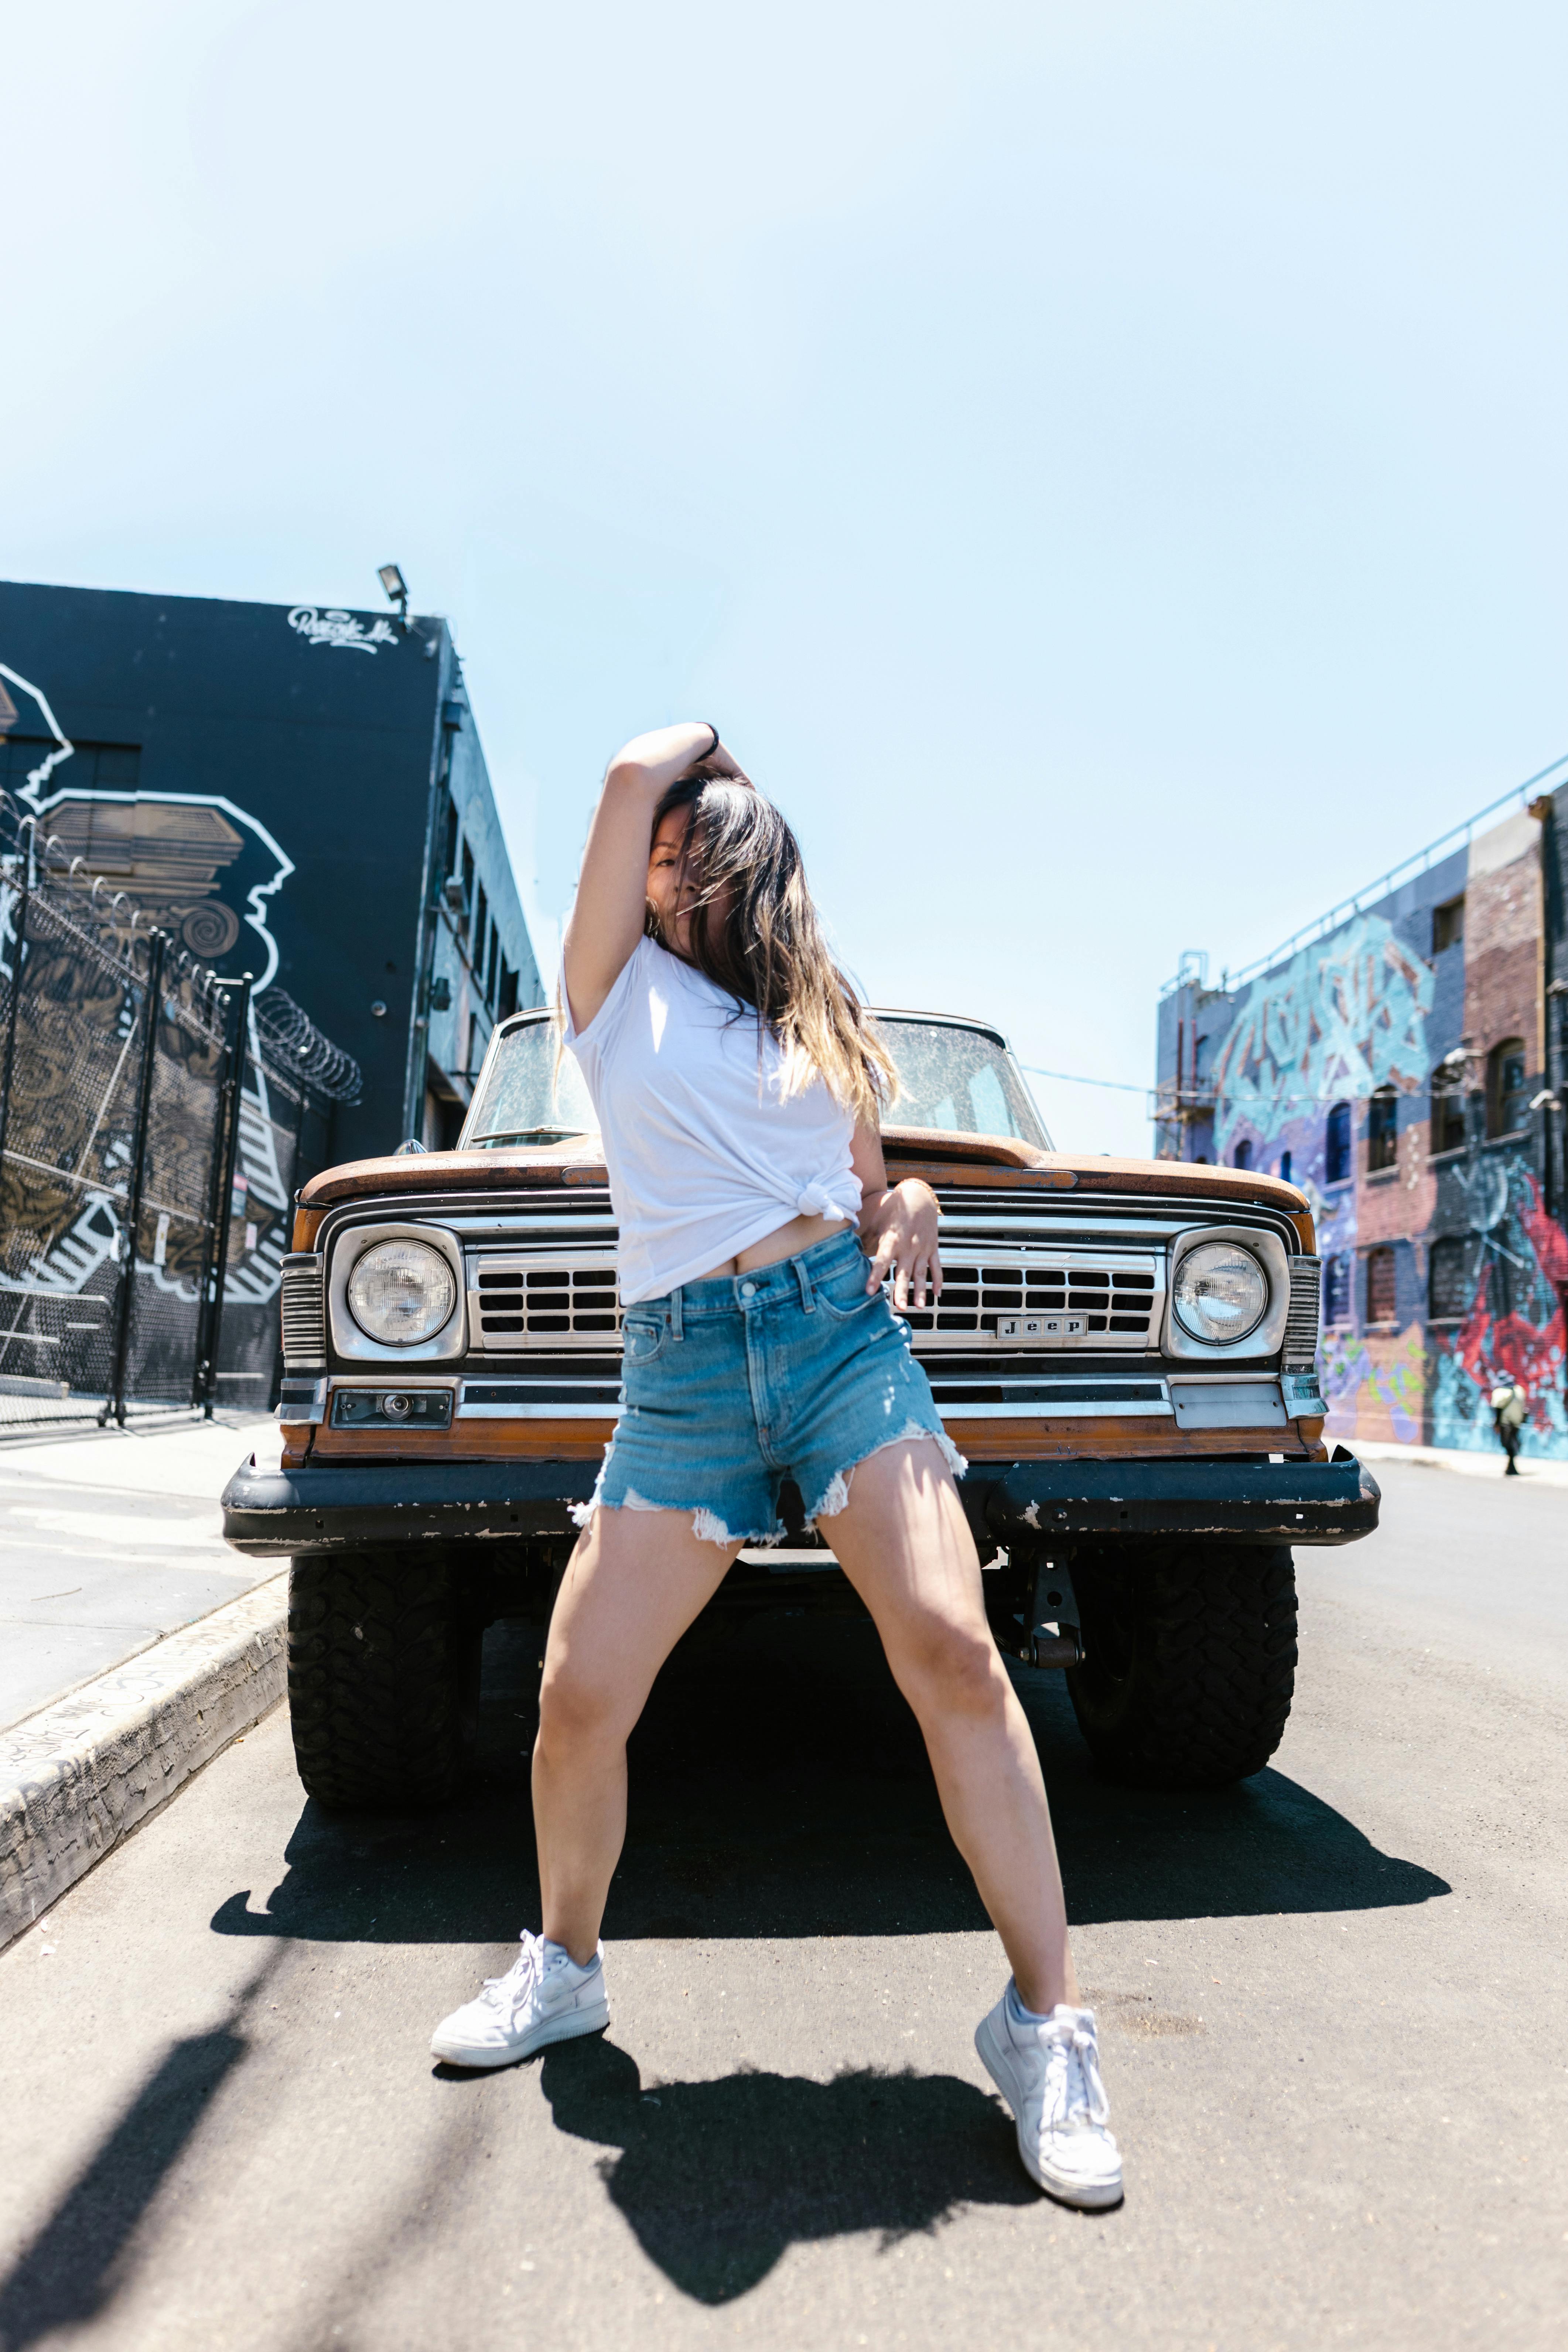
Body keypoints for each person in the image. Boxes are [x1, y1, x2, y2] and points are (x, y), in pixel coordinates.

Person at [431, 723, 1122, 2211]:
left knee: (952, 1644)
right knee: (576, 1700)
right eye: (661, 845)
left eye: (696, 845)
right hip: (680, 1369)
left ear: (751, 870)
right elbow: (628, 774)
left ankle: (1044, 2024)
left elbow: (866, 1187)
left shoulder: (820, 1018)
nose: (664, 856)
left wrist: (916, 1202)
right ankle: (563, 1964)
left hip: (835, 1350)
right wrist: (715, 763)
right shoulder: (607, 996)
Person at [1490, 1373, 1527, 1476]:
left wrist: (1497, 1424)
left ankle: (1511, 1467)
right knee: (1512, 1443)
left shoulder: (1499, 1392)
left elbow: (1498, 1409)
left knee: (1507, 1444)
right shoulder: (1519, 1390)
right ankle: (1511, 1466)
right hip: (1516, 1423)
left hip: (1505, 1423)